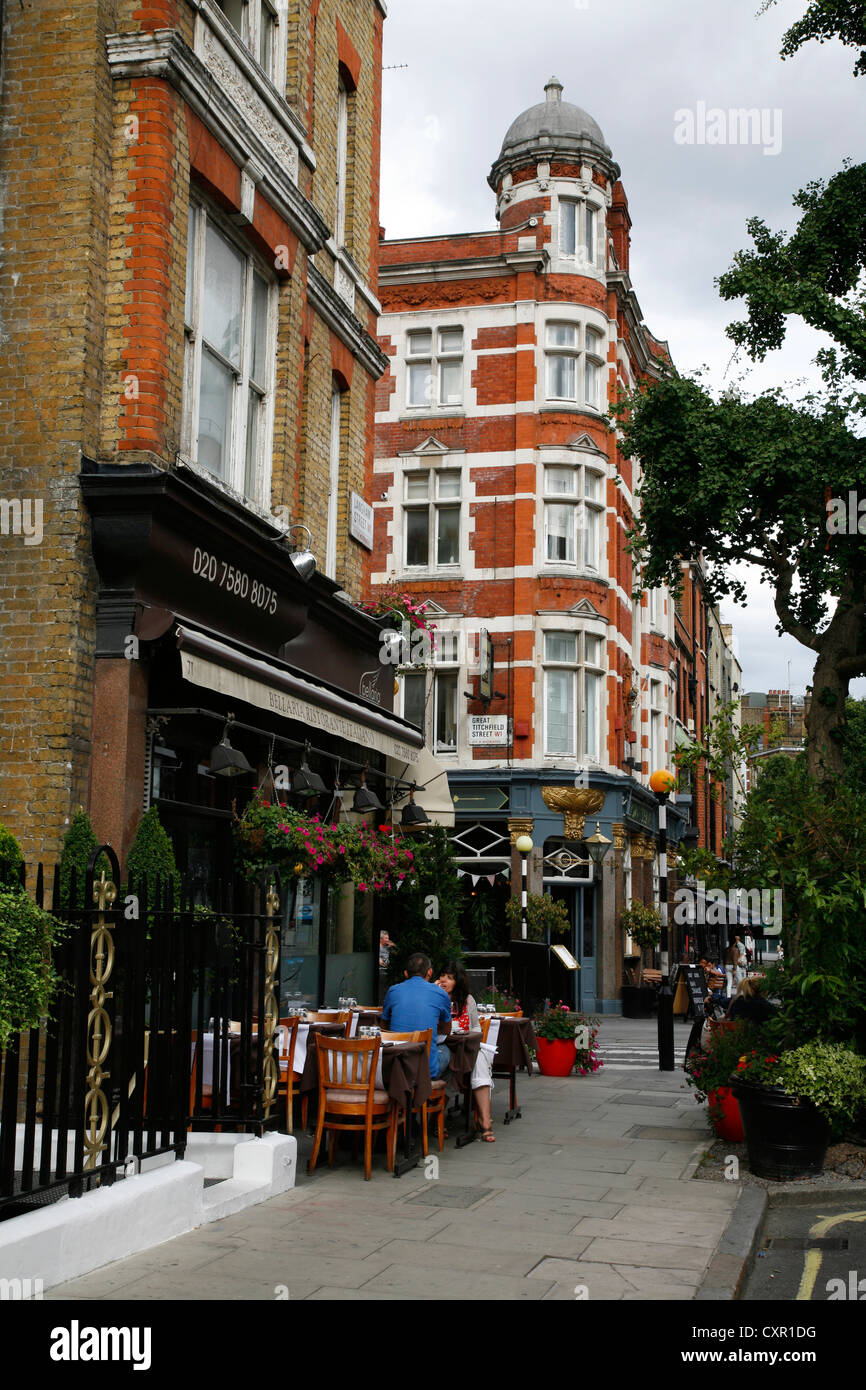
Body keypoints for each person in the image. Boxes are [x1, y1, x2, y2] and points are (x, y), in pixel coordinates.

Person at [436, 960, 495, 1142]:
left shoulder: (468, 1001)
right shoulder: (435, 998)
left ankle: (485, 1121)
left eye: (450, 978)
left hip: (464, 1047)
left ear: (458, 982)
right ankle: (436, 1120)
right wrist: (435, 991)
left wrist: (468, 1034)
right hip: (444, 1047)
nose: (444, 981)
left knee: (480, 1058)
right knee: (450, 1063)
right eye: (442, 976)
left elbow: (476, 1028)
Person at [381, 952, 452, 1079]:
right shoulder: (441, 994)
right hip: (425, 1069)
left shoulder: (393, 991)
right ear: (430, 972)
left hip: (396, 1067)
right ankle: (435, 1096)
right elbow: (446, 1030)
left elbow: (384, 1027)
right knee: (447, 1052)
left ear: (406, 974)